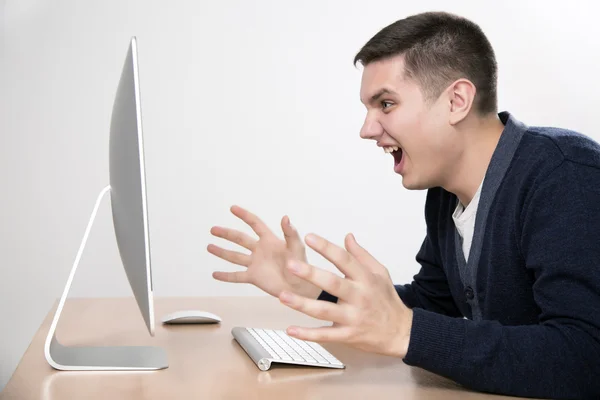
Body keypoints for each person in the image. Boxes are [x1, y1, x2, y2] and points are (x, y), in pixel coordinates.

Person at [206, 11, 600, 400]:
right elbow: (431, 306)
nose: (367, 129)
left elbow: (584, 356)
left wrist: (406, 332)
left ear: (457, 101)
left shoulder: (565, 175)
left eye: (386, 104)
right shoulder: (446, 193)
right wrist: (308, 286)